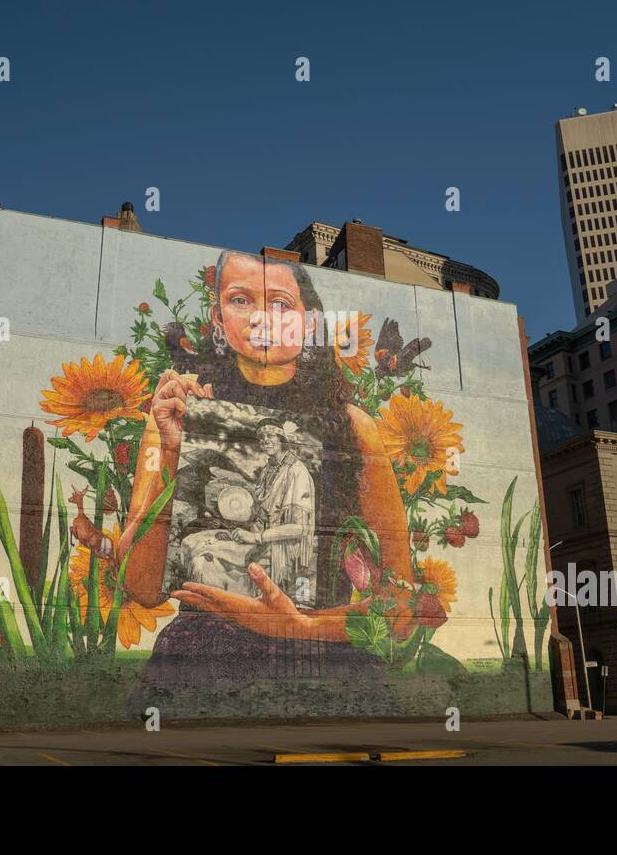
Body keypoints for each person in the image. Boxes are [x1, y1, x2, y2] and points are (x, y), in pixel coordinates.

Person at [115, 250, 416, 707]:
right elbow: (140, 585)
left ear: (307, 319)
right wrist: (174, 457)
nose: (262, 318)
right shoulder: (177, 411)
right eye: (240, 300)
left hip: (330, 669)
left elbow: (402, 606)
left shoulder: (354, 428)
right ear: (218, 317)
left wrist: (300, 626)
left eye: (280, 304)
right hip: (201, 666)